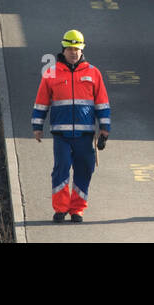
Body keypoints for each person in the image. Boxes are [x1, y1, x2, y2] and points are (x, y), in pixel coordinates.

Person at [33, 29, 110, 223]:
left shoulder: (93, 73)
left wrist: (104, 128)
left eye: (77, 49)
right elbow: (42, 101)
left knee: (84, 169)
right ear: (63, 49)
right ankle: (60, 208)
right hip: (61, 134)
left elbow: (102, 102)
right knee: (62, 168)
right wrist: (37, 125)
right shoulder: (51, 73)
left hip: (85, 134)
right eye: (70, 49)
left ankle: (77, 209)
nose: (73, 52)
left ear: (82, 50)